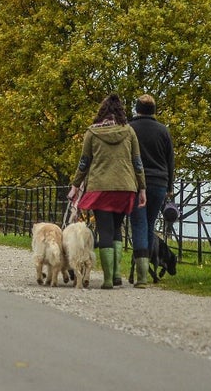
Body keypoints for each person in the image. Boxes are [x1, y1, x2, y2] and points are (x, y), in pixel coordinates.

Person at [67, 94, 147, 289]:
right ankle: (117, 275)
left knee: (105, 230)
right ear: (121, 111)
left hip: (100, 186)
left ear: (101, 111)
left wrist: (75, 185)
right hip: (125, 187)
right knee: (117, 228)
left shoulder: (92, 133)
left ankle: (108, 280)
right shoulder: (129, 131)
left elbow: (84, 162)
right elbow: (137, 161)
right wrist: (142, 187)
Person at [129, 94, 175, 288]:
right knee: (149, 224)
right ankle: (145, 269)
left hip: (135, 183)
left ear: (137, 109)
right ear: (154, 111)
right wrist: (169, 186)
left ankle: (141, 274)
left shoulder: (130, 129)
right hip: (159, 183)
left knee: (138, 223)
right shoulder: (163, 131)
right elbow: (170, 160)